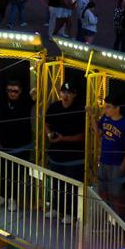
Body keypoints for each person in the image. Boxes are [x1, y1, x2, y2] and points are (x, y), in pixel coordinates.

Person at [44, 82, 86, 224]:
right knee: (55, 185)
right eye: (63, 92)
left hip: (74, 157)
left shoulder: (80, 110)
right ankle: (56, 208)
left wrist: (64, 138)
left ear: (74, 95)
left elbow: (83, 136)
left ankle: (71, 213)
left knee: (71, 188)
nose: (65, 96)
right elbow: (46, 123)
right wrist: (50, 135)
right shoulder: (54, 107)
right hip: (56, 155)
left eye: (68, 93)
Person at [0, 78, 34, 212]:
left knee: (16, 174)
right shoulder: (3, 100)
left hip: (20, 146)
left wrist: (39, 71)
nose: (12, 93)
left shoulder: (25, 102)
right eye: (9, 90)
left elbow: (37, 91)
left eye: (15, 91)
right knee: (2, 172)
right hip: (3, 144)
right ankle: (2, 196)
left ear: (20, 91)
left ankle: (12, 199)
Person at [97, 94, 125, 217]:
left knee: (116, 194)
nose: (105, 110)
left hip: (117, 163)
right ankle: (108, 216)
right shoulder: (105, 119)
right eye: (105, 107)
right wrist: (91, 116)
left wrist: (124, 164)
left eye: (108, 107)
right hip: (104, 160)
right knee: (103, 191)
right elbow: (98, 132)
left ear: (117, 108)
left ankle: (119, 221)